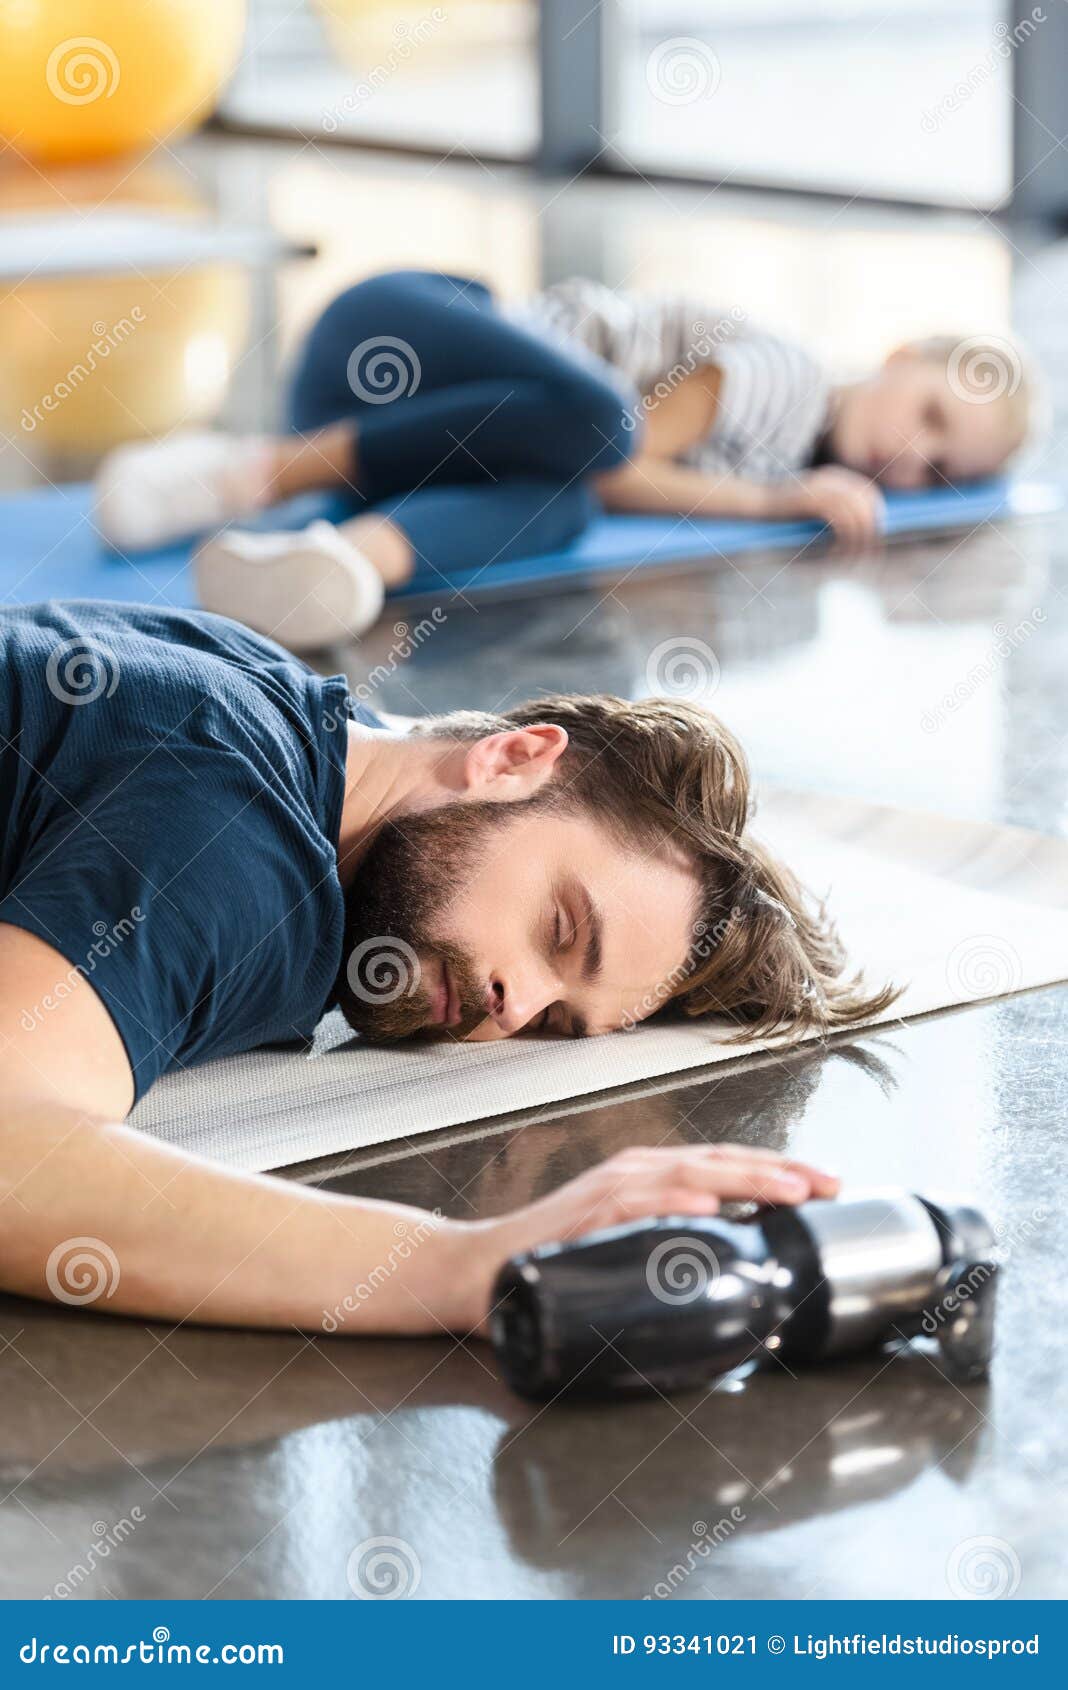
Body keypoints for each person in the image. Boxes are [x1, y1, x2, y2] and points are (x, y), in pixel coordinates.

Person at [0, 599, 887, 1334]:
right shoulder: (240, 854)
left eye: (555, 1021)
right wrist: (468, 1267)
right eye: (559, 927)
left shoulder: (273, 694)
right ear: (509, 758)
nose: (514, 1005)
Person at [93, 269, 1034, 652]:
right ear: (901, 357)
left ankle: (342, 568)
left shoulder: (796, 458)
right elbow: (619, 459)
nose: (912, 458)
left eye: (941, 471)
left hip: (406, 459)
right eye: (929, 415)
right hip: (386, 344)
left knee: (566, 507)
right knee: (602, 435)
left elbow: (593, 494)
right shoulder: (788, 380)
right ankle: (250, 473)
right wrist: (783, 499)